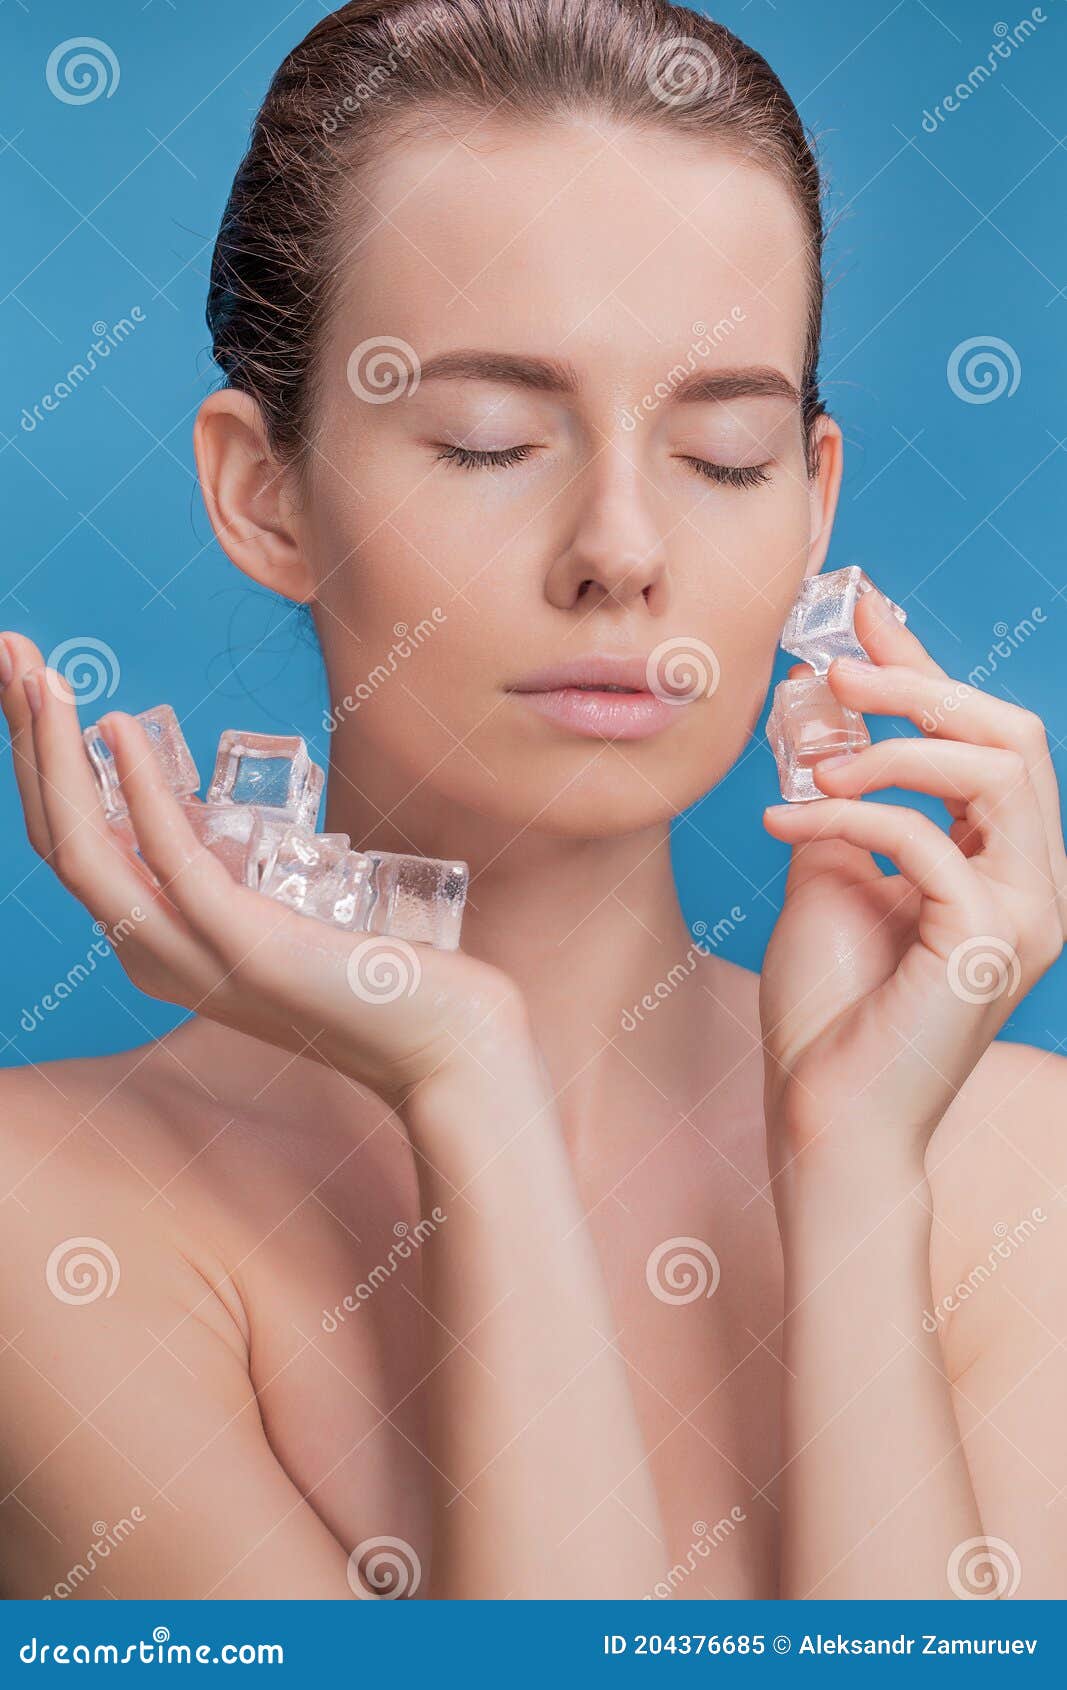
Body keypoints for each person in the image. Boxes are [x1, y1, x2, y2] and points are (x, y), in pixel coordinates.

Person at [1, 0, 1064, 1602]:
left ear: (814, 503)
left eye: (722, 454)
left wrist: (854, 1176)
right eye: (491, 440)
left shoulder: (1026, 1169)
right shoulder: (42, 1211)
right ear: (261, 491)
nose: (622, 547)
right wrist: (468, 1083)